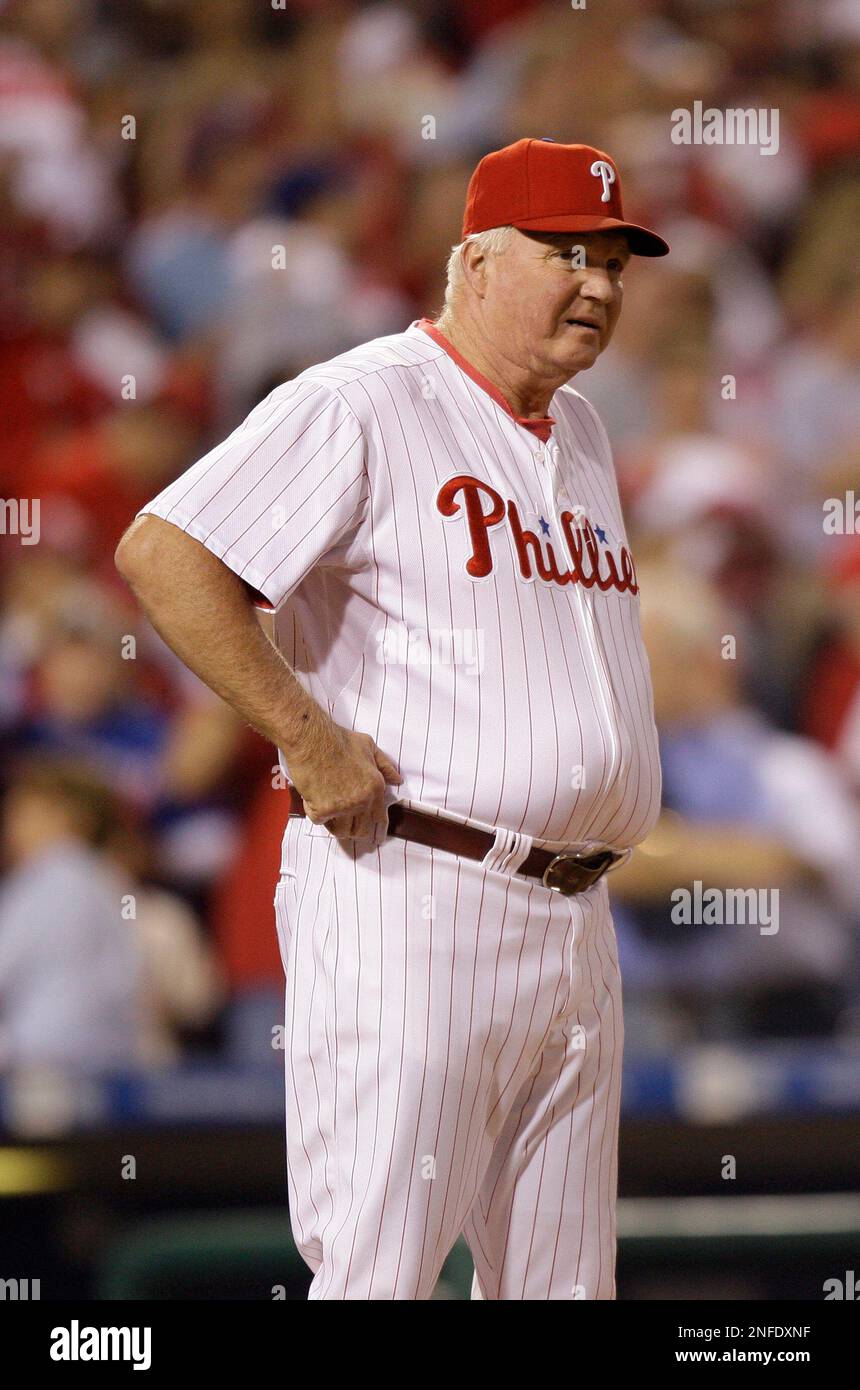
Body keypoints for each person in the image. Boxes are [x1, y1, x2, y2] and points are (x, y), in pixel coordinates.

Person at [115, 138, 669, 1300]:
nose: (598, 286)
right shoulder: (363, 399)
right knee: (381, 1277)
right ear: (472, 261)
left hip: (574, 915)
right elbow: (165, 553)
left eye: (614, 261)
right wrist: (305, 734)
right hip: (415, 891)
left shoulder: (580, 431)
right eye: (564, 253)